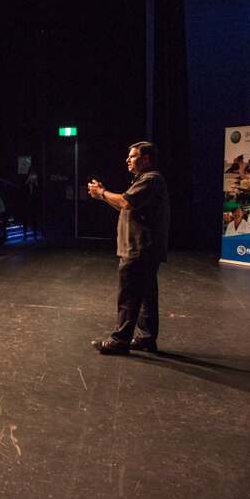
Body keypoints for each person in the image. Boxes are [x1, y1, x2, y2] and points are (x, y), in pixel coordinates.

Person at [87, 141, 169, 355]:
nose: (127, 160)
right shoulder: (147, 179)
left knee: (129, 295)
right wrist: (103, 196)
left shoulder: (150, 179)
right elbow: (125, 206)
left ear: (146, 159)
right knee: (147, 296)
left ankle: (120, 341)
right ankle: (146, 338)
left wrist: (102, 192)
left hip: (139, 249)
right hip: (144, 249)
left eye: (133, 156)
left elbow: (125, 203)